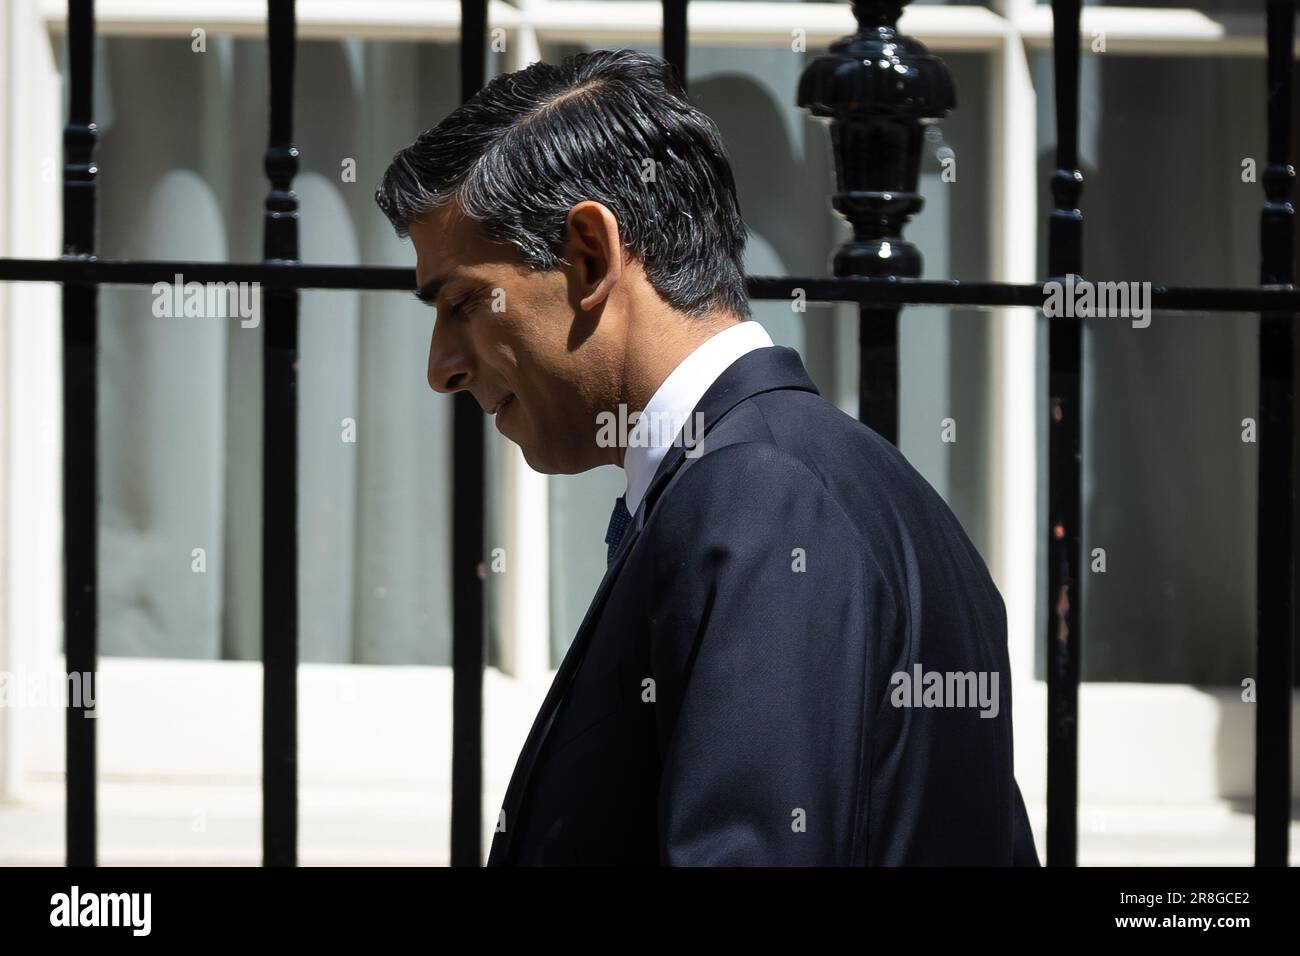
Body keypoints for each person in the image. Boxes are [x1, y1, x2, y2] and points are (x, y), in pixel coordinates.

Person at [376, 48, 1039, 866]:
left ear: (589, 254)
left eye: (466, 301)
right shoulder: (858, 486)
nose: (442, 367)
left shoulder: (758, 495)